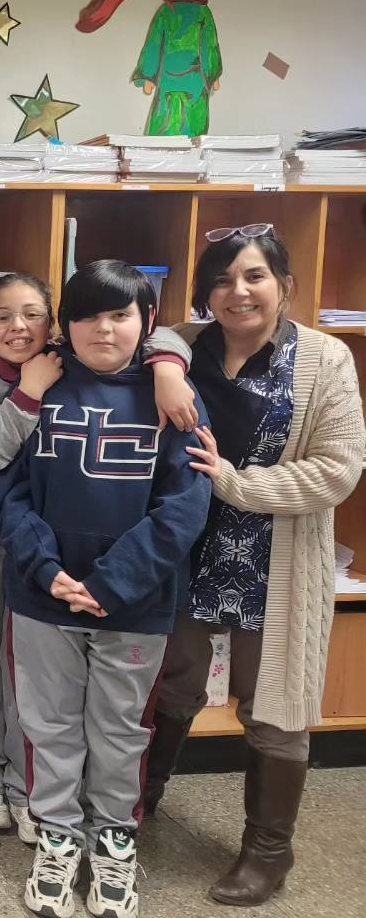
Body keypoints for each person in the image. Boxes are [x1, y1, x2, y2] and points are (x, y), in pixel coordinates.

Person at [144, 225, 365, 907]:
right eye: (222, 279)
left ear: (284, 285)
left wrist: (237, 485)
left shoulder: (323, 359)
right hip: (186, 553)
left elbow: (340, 468)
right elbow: (151, 334)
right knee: (168, 683)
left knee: (273, 707)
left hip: (277, 560)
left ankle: (268, 852)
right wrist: (164, 365)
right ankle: (140, 803)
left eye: (254, 276)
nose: (237, 292)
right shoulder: (188, 341)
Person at [0, 260, 212, 918]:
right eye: (87, 314)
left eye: (119, 314)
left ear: (147, 323)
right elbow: (11, 493)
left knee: (120, 732)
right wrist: (45, 568)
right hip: (42, 598)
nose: (103, 328)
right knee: (50, 725)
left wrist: (113, 582)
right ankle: (58, 837)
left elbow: (185, 507)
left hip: (136, 607)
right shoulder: (44, 389)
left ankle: (114, 841)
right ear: (66, 324)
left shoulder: (174, 397)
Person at [0, 272, 196, 843]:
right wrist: (29, 392)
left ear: (51, 321)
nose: (18, 327)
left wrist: (167, 366)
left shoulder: (136, 373)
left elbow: (162, 333)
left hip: (123, 584)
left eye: (32, 313)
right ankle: (23, 795)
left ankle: (96, 822)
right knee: (15, 685)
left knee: (112, 718)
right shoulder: (6, 378)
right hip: (20, 550)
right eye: (1, 316)